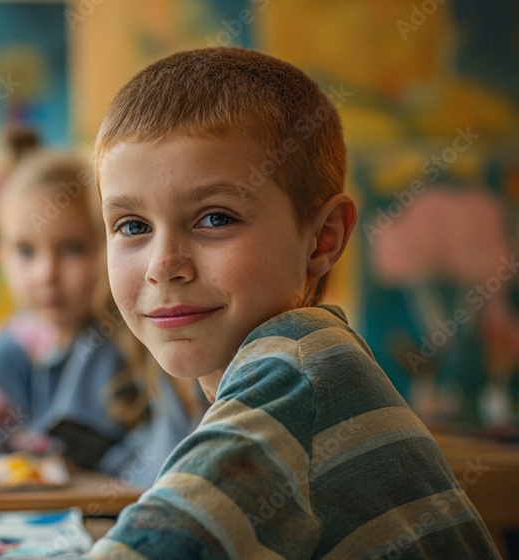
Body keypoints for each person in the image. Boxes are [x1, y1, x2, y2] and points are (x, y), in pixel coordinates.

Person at [83, 47, 500, 558]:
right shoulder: (300, 360)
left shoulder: (299, 373)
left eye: (215, 218)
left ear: (322, 239)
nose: (163, 264)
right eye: (132, 226)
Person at [0, 150, 174, 474]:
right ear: (1, 257)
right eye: (25, 251)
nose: (46, 274)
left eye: (72, 249)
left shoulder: (137, 340)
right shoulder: (12, 342)